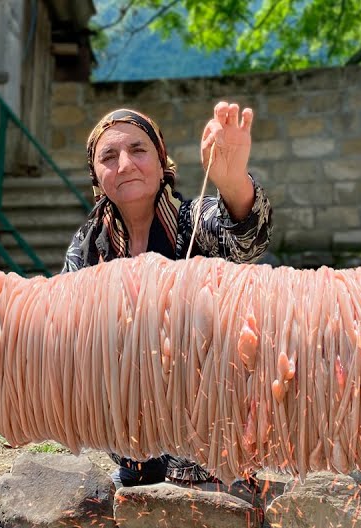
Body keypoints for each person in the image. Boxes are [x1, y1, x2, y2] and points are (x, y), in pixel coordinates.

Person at [63, 104, 273, 493]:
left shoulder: (196, 219)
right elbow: (63, 322)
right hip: (128, 440)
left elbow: (247, 238)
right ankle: (137, 467)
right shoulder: (90, 244)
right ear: (96, 177)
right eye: (109, 156)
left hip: (212, 438)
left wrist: (232, 181)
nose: (124, 164)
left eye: (138, 150)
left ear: (162, 163)